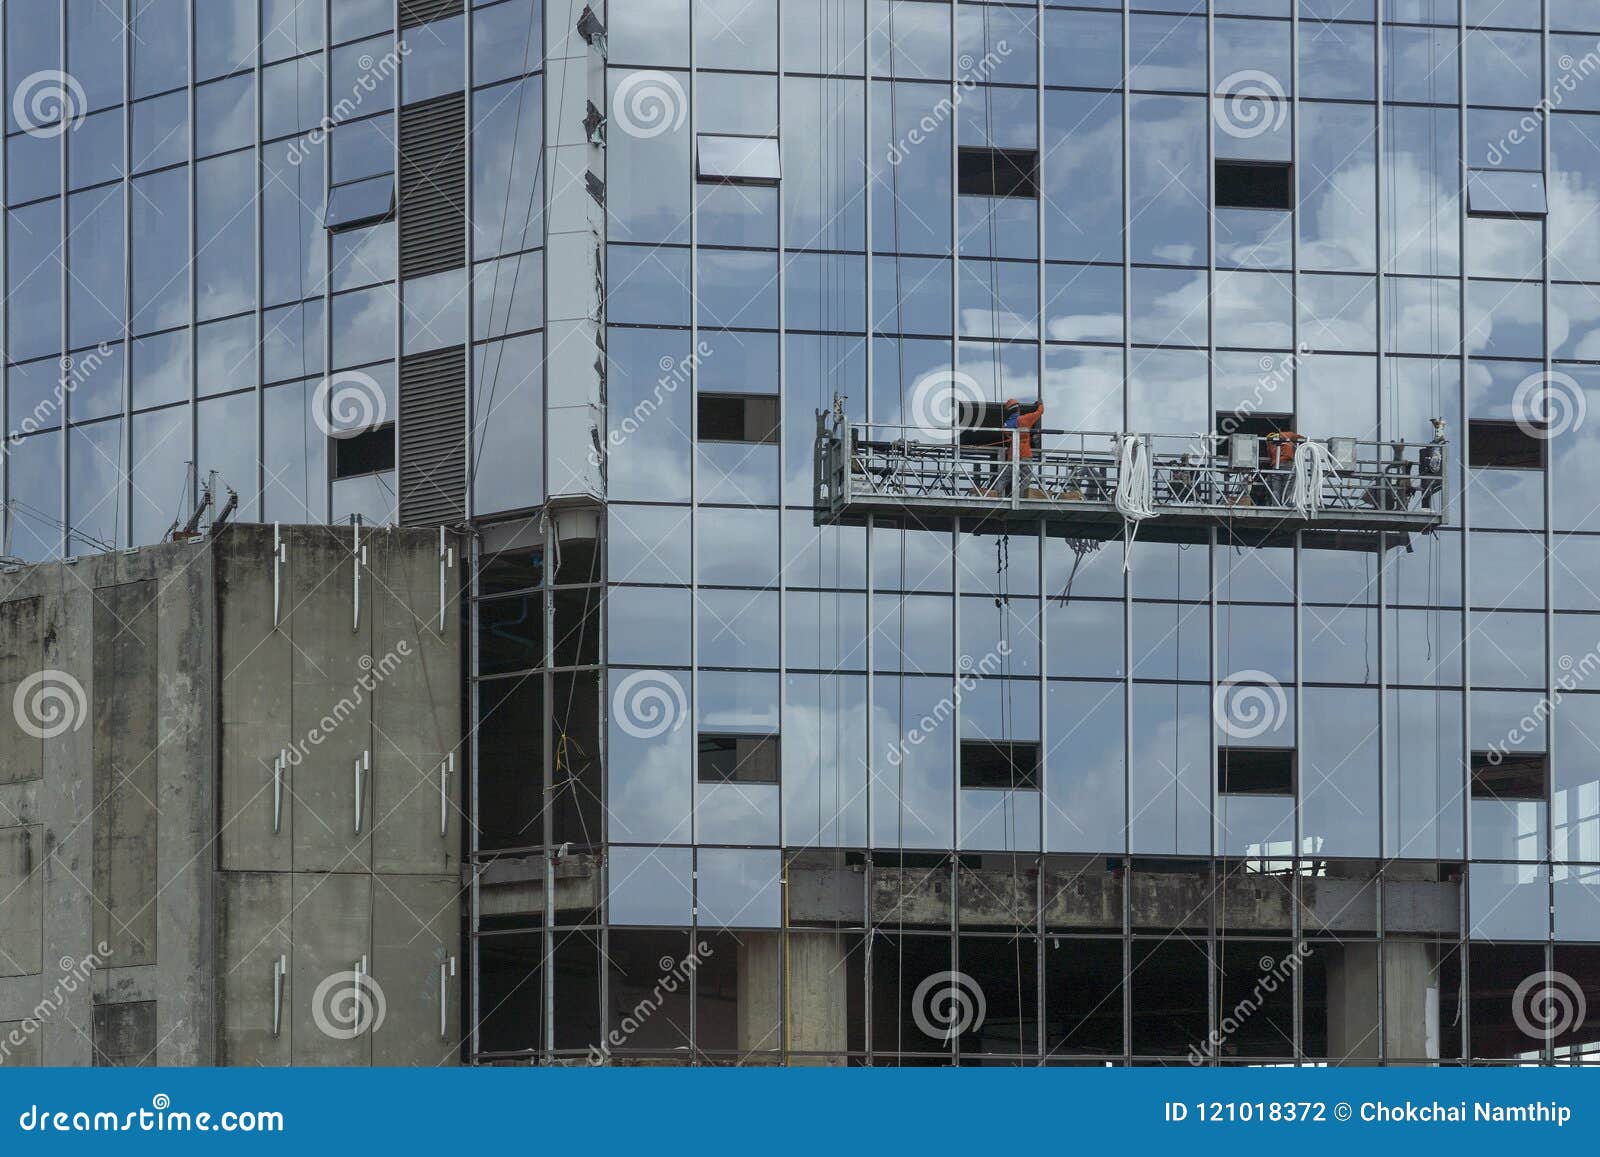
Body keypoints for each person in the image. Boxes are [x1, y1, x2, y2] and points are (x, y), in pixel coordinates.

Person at [999, 398, 1045, 497]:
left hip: (1012, 456)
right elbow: (1040, 412)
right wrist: (1040, 404)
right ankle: (1021, 498)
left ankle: (994, 494)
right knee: (1026, 478)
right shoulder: (1025, 419)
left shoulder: (1006, 425)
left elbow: (1006, 432)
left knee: (1004, 478)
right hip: (1025, 455)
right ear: (1018, 409)